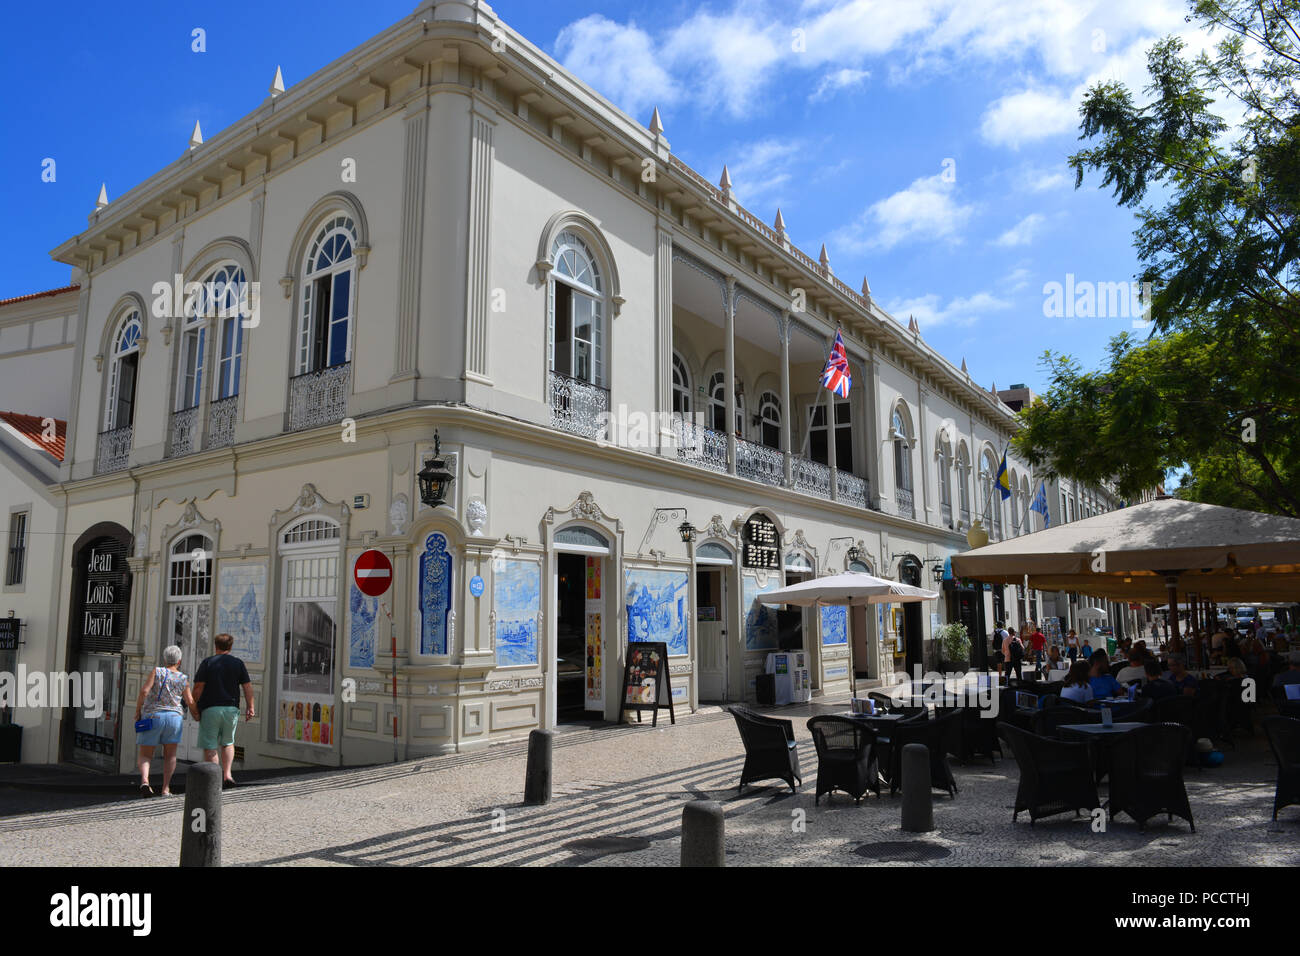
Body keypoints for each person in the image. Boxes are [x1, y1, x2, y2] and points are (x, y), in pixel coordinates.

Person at [133, 644, 199, 797]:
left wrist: (138, 711)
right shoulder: (183, 678)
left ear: (164, 659)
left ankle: (145, 782)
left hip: (153, 716)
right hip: (174, 718)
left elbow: (144, 691)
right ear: (179, 661)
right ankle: (165, 789)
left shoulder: (157, 672)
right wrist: (196, 715)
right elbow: (189, 701)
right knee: (170, 755)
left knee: (145, 754)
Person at [192, 632, 255, 788]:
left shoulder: (208, 663)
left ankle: (215, 778)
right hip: (231, 709)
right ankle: (228, 775)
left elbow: (199, 687)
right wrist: (250, 707)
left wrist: (193, 705)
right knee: (228, 742)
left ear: (215, 646)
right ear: (231, 646)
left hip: (210, 709)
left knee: (210, 745)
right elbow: (247, 687)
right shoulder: (238, 663)